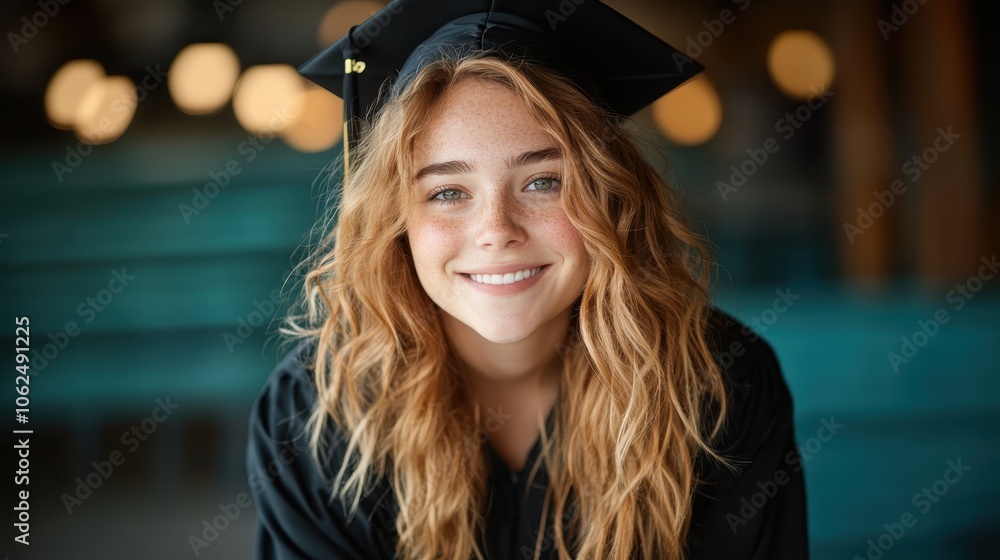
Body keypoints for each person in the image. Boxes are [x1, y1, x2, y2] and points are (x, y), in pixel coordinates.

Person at [246, 1, 809, 558]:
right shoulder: (316, 413)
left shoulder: (718, 385)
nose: (496, 231)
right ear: (395, 220)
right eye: (447, 192)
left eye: (543, 182)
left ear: (609, 196)